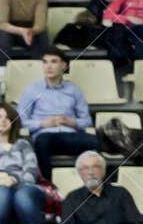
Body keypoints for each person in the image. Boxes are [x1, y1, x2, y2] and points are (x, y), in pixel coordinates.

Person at [16, 51, 93, 180]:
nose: (48, 66)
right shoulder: (33, 89)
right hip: (45, 136)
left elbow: (87, 120)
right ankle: (48, 184)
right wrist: (42, 124)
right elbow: (19, 120)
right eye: (45, 62)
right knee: (42, 142)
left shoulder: (74, 89)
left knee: (94, 141)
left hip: (70, 135)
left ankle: (89, 185)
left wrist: (72, 122)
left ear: (63, 66)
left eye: (54, 61)